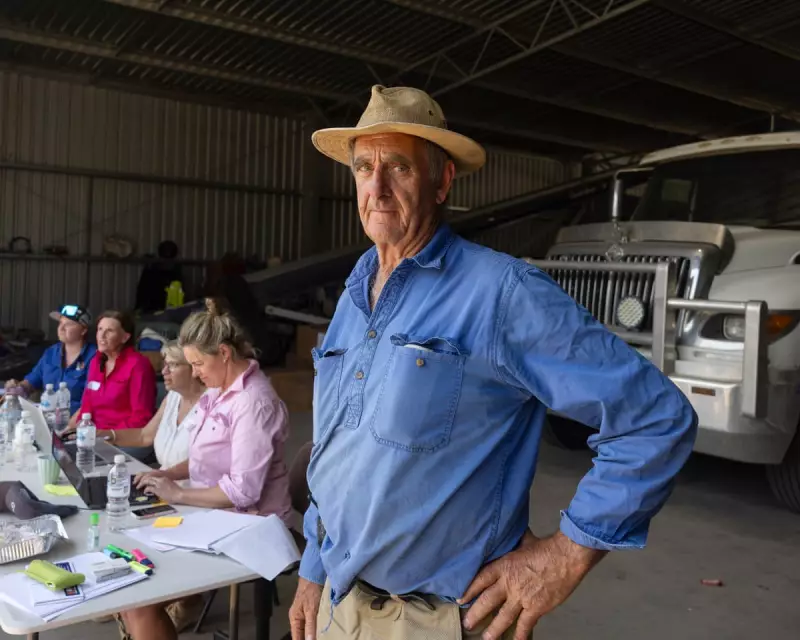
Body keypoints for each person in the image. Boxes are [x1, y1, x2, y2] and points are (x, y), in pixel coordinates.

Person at [289, 85, 698, 640]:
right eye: (365, 166)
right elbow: (339, 448)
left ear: (442, 181)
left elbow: (654, 417)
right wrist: (314, 567)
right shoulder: (356, 292)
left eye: (400, 168)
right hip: (343, 607)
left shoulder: (501, 292)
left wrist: (564, 556)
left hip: (440, 620)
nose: (377, 187)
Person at [121, 300, 292, 640]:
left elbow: (243, 491)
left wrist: (180, 494)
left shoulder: (252, 403)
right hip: (214, 516)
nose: (195, 372)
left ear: (225, 354)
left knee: (137, 598)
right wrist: (167, 475)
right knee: (130, 577)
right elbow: (204, 458)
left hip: (250, 526)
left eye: (198, 363)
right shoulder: (218, 392)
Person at [70, 310, 156, 461]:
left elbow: (141, 418)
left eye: (109, 331)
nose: (102, 336)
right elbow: (87, 404)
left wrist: (107, 434)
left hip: (124, 439)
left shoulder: (138, 365)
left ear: (125, 337)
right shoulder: (96, 361)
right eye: (100, 329)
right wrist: (79, 429)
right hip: (94, 437)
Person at [4, 304, 96, 415]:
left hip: (77, 423)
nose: (61, 328)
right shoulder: (51, 352)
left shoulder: (95, 357)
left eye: (69, 324)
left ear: (83, 330)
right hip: (46, 419)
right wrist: (19, 387)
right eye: (61, 323)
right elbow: (33, 379)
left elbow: (92, 402)